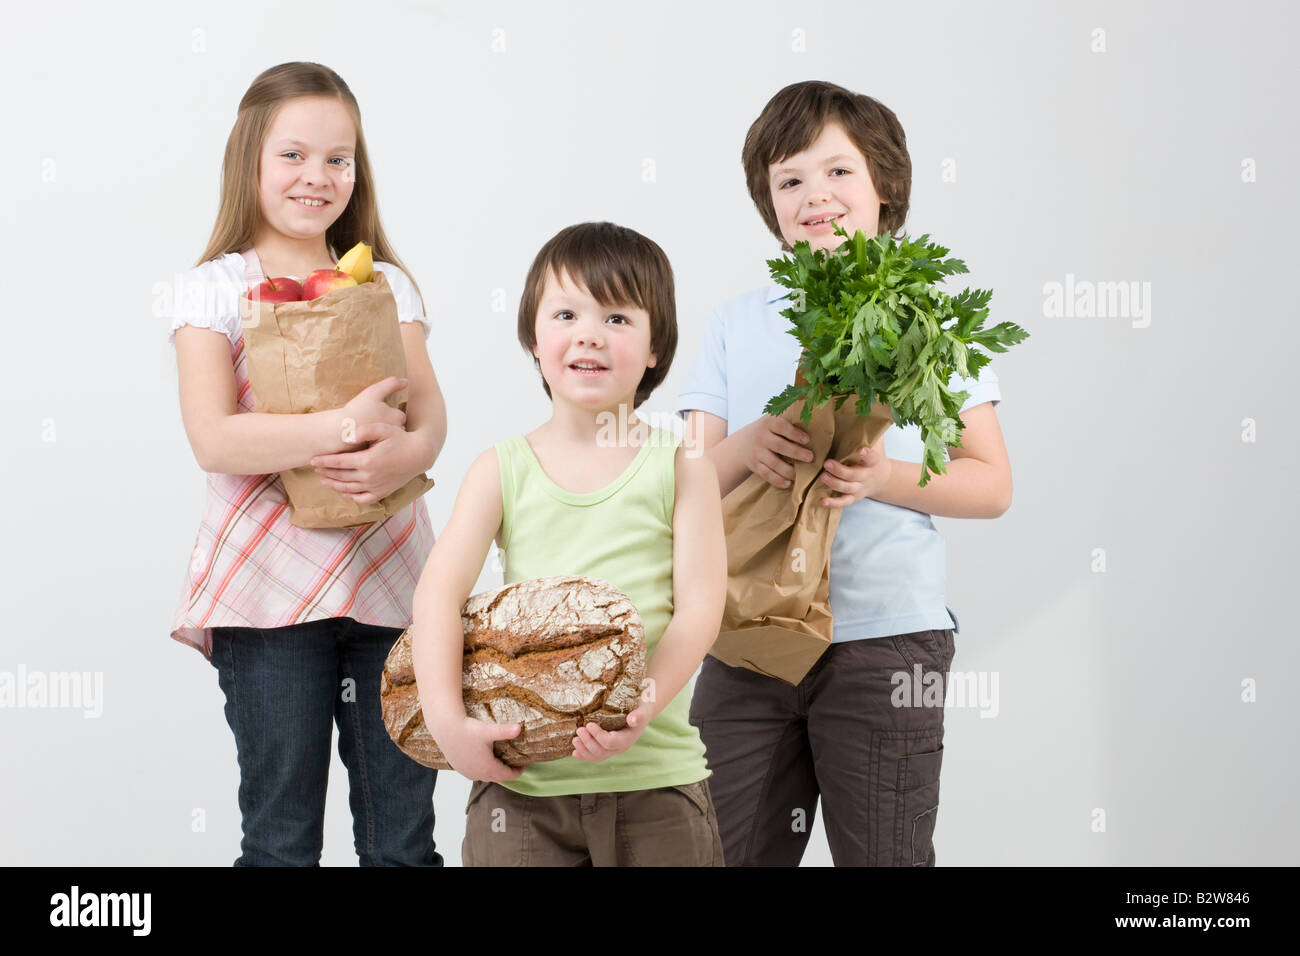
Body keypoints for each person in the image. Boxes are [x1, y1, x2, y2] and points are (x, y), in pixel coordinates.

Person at [675, 80, 1014, 866]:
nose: (814, 197)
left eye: (837, 173)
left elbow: (992, 482)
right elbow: (682, 483)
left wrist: (881, 476)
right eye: (789, 181)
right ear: (768, 202)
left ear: (885, 187)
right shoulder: (736, 322)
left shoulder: (924, 314)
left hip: (885, 643)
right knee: (717, 852)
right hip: (748, 637)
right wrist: (750, 444)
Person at [166, 61, 446, 866]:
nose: (316, 177)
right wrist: (343, 427)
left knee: (402, 839)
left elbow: (428, 417)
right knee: (282, 838)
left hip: (389, 582)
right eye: (292, 155)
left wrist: (408, 451)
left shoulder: (383, 283)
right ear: (248, 160)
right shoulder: (212, 290)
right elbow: (214, 439)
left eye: (338, 158)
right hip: (267, 599)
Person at [409, 221, 727, 866]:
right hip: (525, 786)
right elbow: (437, 599)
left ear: (656, 347)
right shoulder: (501, 469)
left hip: (657, 781)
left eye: (616, 316)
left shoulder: (681, 463)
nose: (588, 333)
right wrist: (449, 724)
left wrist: (639, 708)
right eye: (565, 313)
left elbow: (700, 609)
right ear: (533, 336)